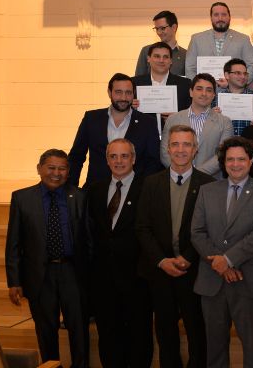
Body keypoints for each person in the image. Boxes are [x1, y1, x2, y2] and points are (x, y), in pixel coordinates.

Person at [191, 136, 253, 368]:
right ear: (223, 162)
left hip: (248, 281)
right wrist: (219, 264)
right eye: (230, 159)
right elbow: (197, 232)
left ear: (251, 162)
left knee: (252, 347)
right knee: (215, 347)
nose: (235, 164)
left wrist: (227, 260)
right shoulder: (208, 191)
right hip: (212, 281)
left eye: (241, 159)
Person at [136, 125, 213, 368]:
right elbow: (142, 227)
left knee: (196, 328)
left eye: (187, 144)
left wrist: (188, 257)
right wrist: (162, 261)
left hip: (194, 269)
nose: (181, 150)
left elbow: (210, 229)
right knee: (165, 329)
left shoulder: (208, 184)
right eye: (176, 144)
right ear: (168, 148)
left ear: (195, 149)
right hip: (160, 270)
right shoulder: (150, 183)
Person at [5, 149, 90, 367]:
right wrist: (14, 281)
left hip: (73, 273)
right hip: (40, 276)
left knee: (79, 330)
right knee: (46, 331)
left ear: (68, 172)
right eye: (51, 168)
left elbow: (89, 241)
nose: (56, 173)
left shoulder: (79, 197)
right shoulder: (21, 198)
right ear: (39, 169)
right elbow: (13, 242)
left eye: (62, 168)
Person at [86, 139, 153, 368]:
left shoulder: (149, 187)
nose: (119, 161)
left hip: (138, 278)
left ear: (133, 159)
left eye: (124, 156)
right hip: (104, 279)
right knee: (108, 336)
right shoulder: (94, 190)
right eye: (113, 156)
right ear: (106, 160)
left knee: (139, 336)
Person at [68, 73, 162, 187]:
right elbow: (76, 156)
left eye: (128, 93)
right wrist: (71, 190)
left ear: (134, 94)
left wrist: (144, 190)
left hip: (134, 193)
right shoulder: (91, 119)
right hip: (96, 191)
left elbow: (153, 161)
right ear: (109, 92)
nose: (123, 98)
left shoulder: (147, 123)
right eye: (118, 92)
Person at [161, 73, 234, 177]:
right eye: (199, 89)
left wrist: (195, 175)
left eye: (209, 90)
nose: (204, 93)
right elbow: (165, 152)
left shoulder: (225, 122)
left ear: (214, 95)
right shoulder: (173, 119)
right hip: (177, 179)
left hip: (211, 182)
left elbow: (222, 154)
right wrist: (181, 172)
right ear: (191, 92)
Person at [185, 2, 253, 88]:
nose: (220, 18)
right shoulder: (196, 39)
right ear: (211, 18)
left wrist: (235, 83)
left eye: (224, 14)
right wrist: (200, 86)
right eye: (216, 15)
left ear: (229, 17)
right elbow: (189, 68)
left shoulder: (243, 39)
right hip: (204, 95)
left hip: (234, 94)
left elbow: (252, 67)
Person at [132, 42, 192, 133]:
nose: (161, 60)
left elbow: (192, 114)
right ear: (148, 59)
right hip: (143, 137)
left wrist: (178, 117)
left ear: (171, 60)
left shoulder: (185, 84)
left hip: (174, 137)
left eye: (165, 57)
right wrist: (130, 107)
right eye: (157, 56)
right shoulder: (134, 84)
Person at [213, 58, 253, 136]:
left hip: (249, 144)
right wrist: (212, 117)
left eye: (245, 73)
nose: (243, 77)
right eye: (238, 73)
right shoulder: (216, 99)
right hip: (224, 145)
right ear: (227, 75)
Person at [135, 10, 187, 77]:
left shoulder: (185, 54)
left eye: (162, 28)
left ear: (174, 27)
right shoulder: (146, 51)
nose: (159, 32)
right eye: (157, 29)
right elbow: (138, 80)